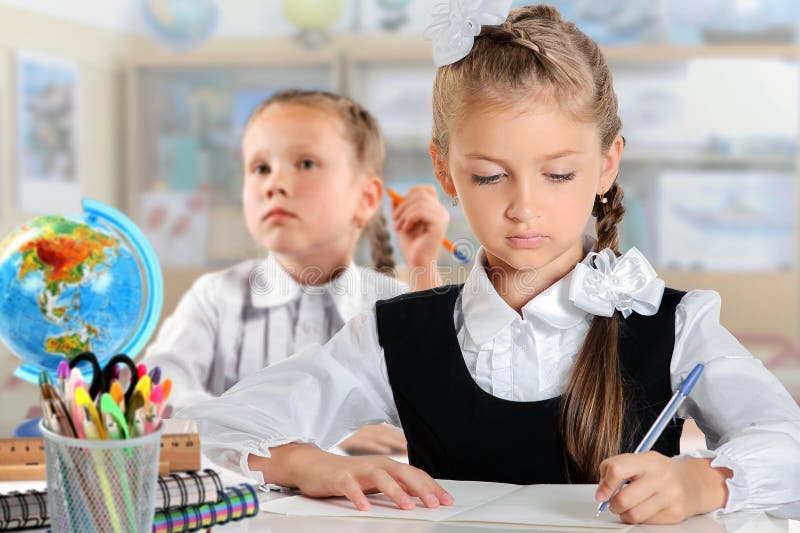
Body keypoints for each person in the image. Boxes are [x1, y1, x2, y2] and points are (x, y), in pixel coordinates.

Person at [178, 4, 800, 524]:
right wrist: (306, 462)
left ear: (607, 163)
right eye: (488, 176)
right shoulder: (396, 334)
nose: (524, 207)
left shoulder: (676, 324)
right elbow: (201, 433)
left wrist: (704, 482)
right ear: (445, 169)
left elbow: (788, 443)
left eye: (558, 173)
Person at [146, 89, 451, 454]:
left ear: (367, 199)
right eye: (260, 168)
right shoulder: (215, 297)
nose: (274, 183)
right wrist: (319, 433)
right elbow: (156, 397)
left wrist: (423, 268)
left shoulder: (392, 303)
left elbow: (443, 412)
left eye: (305, 163)